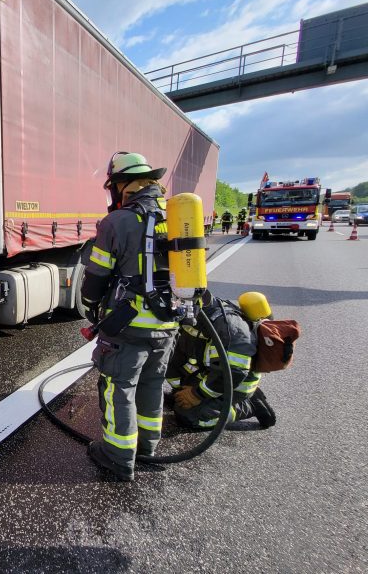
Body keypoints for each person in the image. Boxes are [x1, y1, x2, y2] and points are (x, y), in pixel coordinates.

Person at [81, 152, 179, 481]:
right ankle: (147, 446)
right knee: (152, 383)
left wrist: (89, 303)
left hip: (128, 325)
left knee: (119, 387)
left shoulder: (117, 221)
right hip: (168, 322)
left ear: (122, 185)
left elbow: (97, 275)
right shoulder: (176, 216)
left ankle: (119, 456)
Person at [167, 291, 276, 429]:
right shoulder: (189, 317)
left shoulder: (230, 327)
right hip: (211, 376)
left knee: (189, 417)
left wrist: (196, 395)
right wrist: (180, 390)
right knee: (178, 402)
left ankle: (249, 405)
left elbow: (234, 371)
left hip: (235, 383)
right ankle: (201, 398)